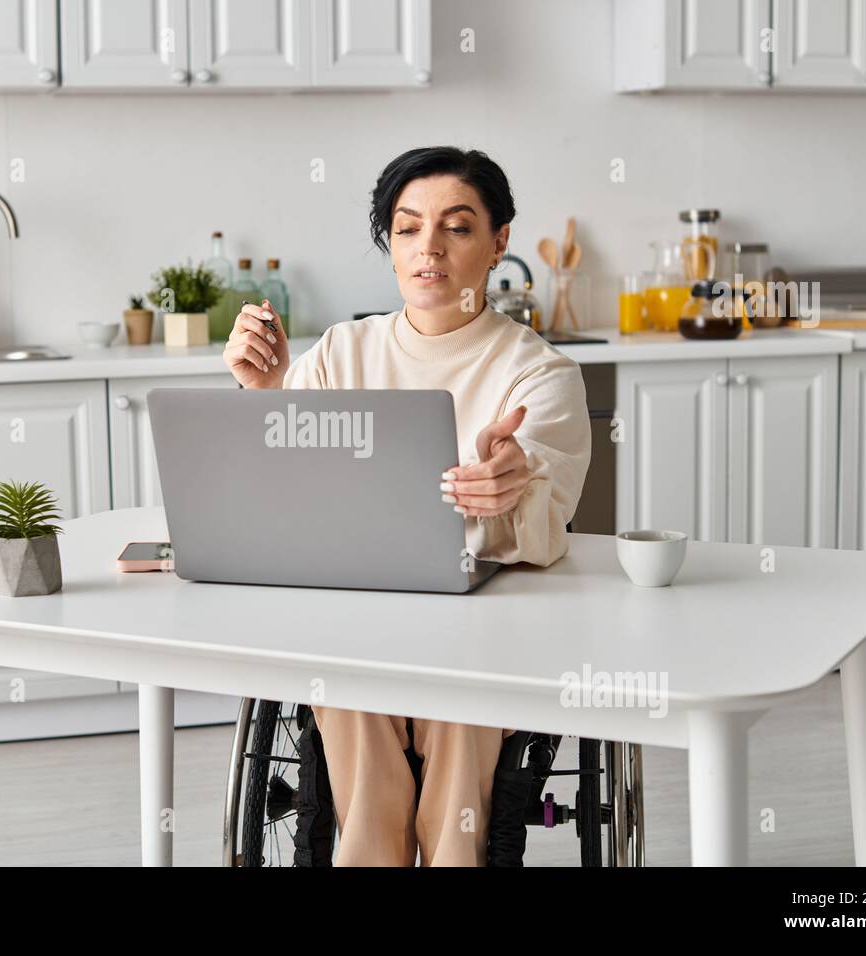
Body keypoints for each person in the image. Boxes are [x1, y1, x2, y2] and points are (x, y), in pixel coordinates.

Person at [221, 146, 592, 866]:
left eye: (456, 227)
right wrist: (262, 397)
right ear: (389, 244)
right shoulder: (339, 354)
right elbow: (277, 495)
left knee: (462, 708)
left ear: (499, 242)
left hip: (485, 627)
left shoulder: (540, 374)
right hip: (361, 617)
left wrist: (513, 481)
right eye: (407, 227)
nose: (429, 249)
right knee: (347, 680)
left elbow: (542, 514)